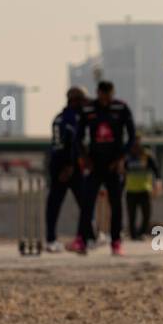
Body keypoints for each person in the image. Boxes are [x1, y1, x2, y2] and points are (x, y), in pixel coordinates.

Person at [71, 81, 135, 256]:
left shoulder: (121, 108)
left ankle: (116, 242)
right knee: (87, 202)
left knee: (116, 204)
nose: (105, 99)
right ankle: (81, 240)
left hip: (114, 164)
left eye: (109, 95)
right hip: (95, 163)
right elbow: (78, 137)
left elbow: (131, 137)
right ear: (98, 93)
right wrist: (84, 158)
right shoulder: (89, 109)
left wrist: (121, 158)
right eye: (102, 95)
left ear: (113, 94)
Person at [45, 86, 88, 252]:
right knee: (85, 203)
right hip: (69, 165)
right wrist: (70, 165)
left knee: (54, 204)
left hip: (57, 163)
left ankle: (51, 239)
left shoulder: (58, 117)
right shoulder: (73, 118)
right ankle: (85, 238)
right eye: (82, 100)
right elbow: (71, 142)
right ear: (75, 101)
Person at [123, 137, 161, 240]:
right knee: (131, 215)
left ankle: (142, 233)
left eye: (137, 141)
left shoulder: (147, 155)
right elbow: (122, 172)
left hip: (145, 189)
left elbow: (156, 171)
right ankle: (133, 235)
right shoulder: (126, 156)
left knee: (146, 214)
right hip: (131, 190)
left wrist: (157, 184)